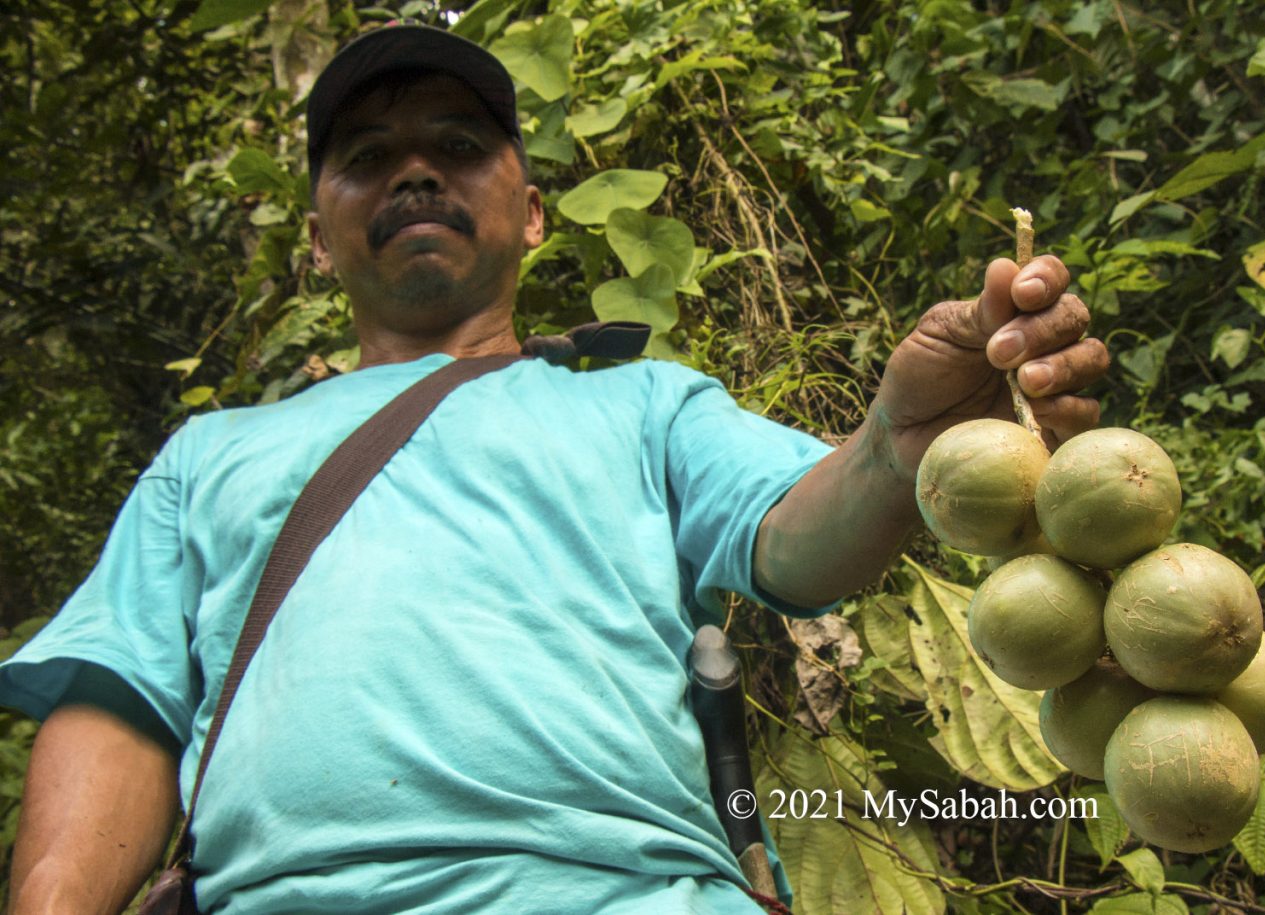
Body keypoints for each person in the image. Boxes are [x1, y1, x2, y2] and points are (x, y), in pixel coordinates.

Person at [0, 23, 1108, 914]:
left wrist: (899, 443)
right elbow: (120, 710)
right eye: (369, 158)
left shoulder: (644, 402)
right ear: (318, 238)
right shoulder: (210, 457)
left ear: (531, 214)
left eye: (460, 145)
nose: (419, 169)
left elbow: (800, 542)